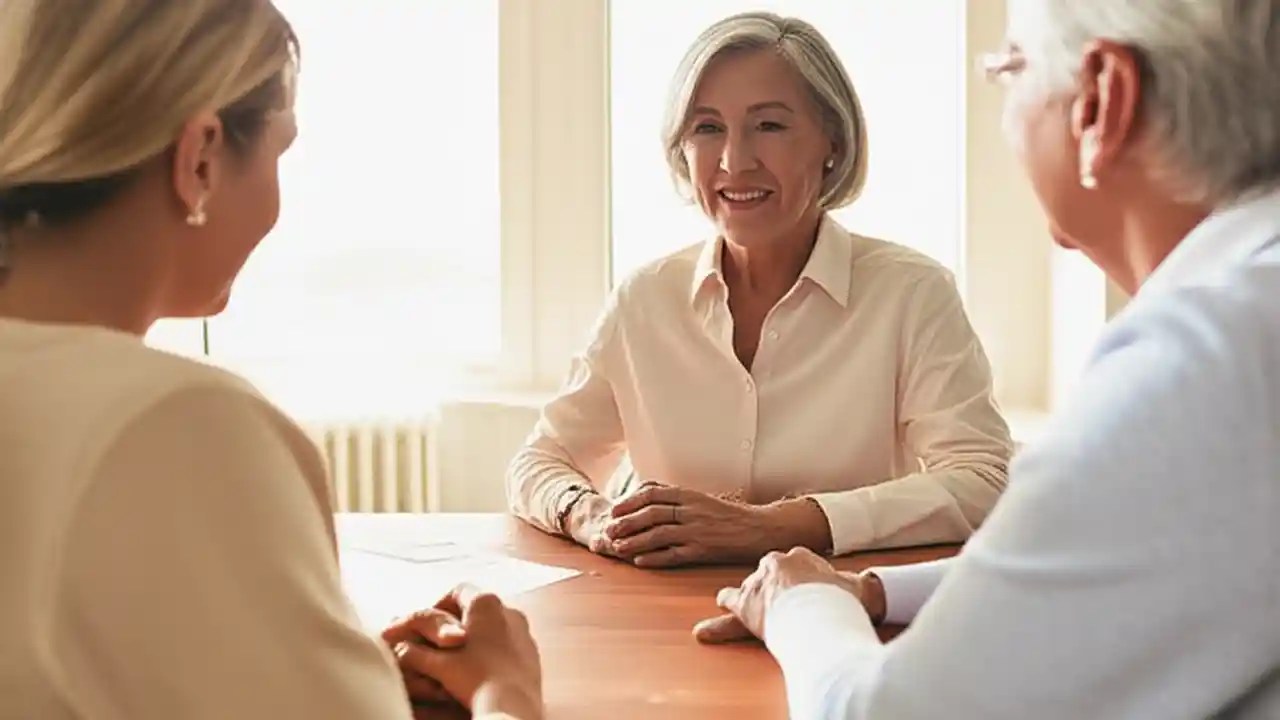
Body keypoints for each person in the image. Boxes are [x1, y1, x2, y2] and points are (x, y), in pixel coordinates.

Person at [698, 0, 1280, 717]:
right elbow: (1106, 550)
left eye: (1008, 71)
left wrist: (800, 603)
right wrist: (878, 589)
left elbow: (883, 713)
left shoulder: (1203, 358)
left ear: (1100, 103)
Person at [0, 2, 540, 718]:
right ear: (199, 157)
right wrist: (510, 688)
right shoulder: (174, 423)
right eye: (280, 151)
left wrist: (309, 662)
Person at [507, 12, 1012, 568]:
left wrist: (775, 527)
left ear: (834, 144)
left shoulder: (913, 293)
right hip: (665, 614)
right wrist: (590, 516)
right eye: (707, 128)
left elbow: (983, 480)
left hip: (837, 605)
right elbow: (538, 462)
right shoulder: (644, 300)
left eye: (768, 126)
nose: (734, 161)